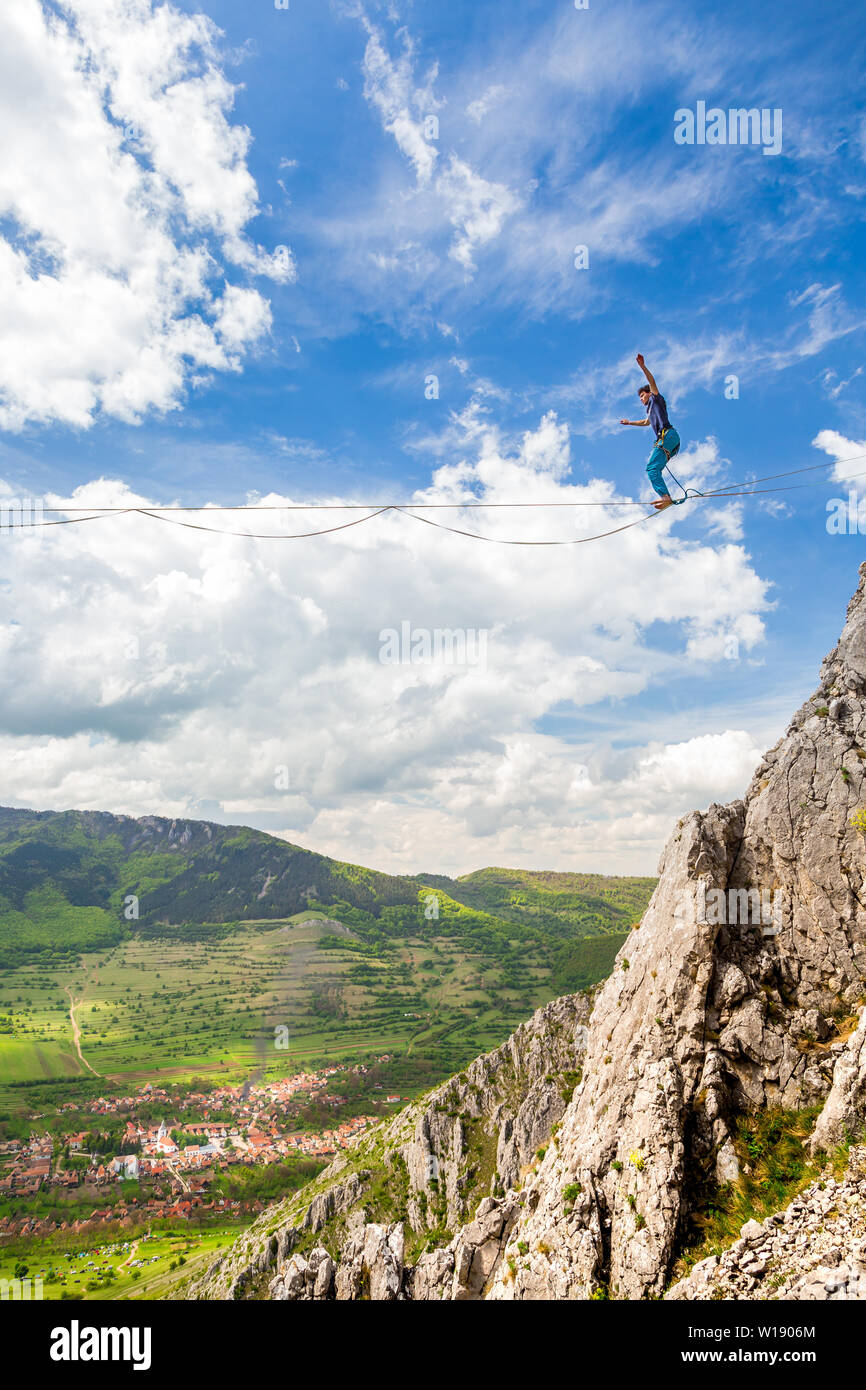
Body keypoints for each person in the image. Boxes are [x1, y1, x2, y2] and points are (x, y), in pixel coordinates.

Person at [620, 353, 681, 511]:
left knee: (651, 468)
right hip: (672, 442)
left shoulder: (656, 399)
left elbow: (651, 381)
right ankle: (665, 497)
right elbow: (645, 422)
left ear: (649, 393)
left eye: (642, 395)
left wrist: (642, 367)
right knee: (654, 470)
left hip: (668, 436)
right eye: (639, 397)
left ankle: (666, 498)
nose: (641, 398)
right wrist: (629, 422)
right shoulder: (650, 411)